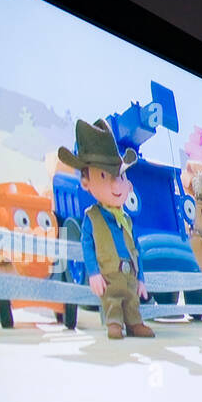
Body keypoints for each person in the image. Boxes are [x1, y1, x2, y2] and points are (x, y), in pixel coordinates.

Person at [58, 118, 155, 341]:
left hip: (130, 276)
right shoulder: (91, 216)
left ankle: (135, 324)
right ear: (86, 183)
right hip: (109, 277)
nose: (115, 184)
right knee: (112, 301)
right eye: (104, 176)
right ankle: (114, 324)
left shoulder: (127, 220)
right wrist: (93, 272)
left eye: (120, 176)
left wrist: (141, 278)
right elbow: (87, 245)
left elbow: (137, 249)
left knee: (132, 301)